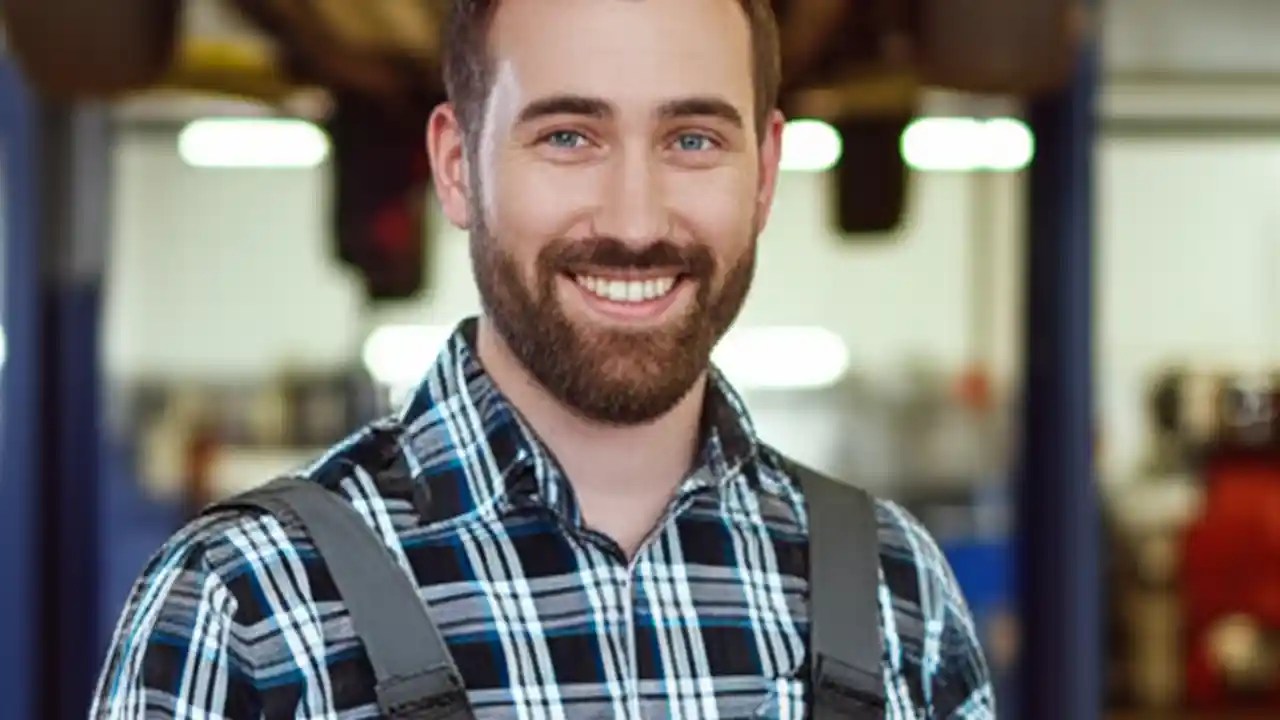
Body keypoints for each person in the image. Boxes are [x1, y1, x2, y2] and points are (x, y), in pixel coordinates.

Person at [91, 0, 995, 717]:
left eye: (692, 140)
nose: (635, 222)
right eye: (568, 137)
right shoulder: (247, 607)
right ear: (456, 166)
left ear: (763, 174)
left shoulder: (894, 589)